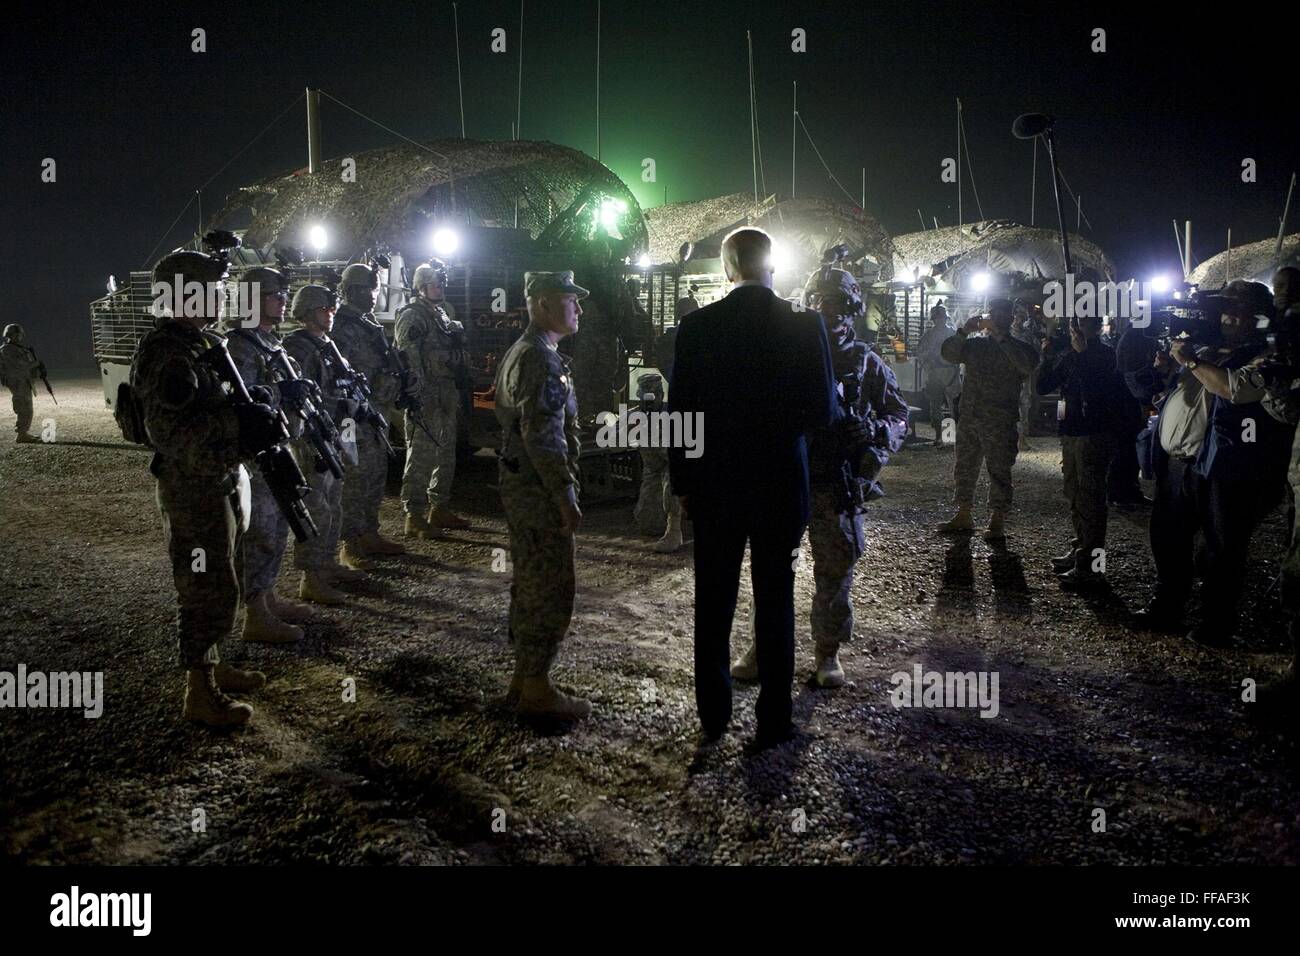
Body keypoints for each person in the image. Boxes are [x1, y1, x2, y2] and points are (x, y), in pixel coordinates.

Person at [668, 227, 836, 749]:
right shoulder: (805, 326)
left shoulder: (697, 328)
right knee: (777, 597)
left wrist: (685, 483)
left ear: (727, 268)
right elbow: (823, 412)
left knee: (713, 598)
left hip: (716, 487)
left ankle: (714, 715)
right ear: (773, 266)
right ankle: (774, 718)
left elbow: (682, 417)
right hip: (780, 486)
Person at [731, 266, 907, 688]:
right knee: (774, 569)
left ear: (852, 308)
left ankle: (827, 653)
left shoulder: (866, 363)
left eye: (837, 304)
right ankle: (762, 648)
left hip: (836, 485)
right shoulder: (784, 353)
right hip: (788, 480)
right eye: (819, 302)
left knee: (834, 571)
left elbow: (898, 415)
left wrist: (875, 432)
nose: (828, 312)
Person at [133, 250, 284, 727]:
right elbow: (171, 434)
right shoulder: (168, 354)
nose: (220, 296)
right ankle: (199, 691)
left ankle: (217, 665)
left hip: (219, 476)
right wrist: (237, 422)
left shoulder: (199, 344)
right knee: (204, 586)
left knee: (225, 576)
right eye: (211, 289)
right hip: (193, 484)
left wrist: (249, 411)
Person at [1134, 280, 1296, 645]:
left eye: (1235, 310)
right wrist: (1170, 365)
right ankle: (1166, 607)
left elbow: (1234, 389)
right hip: (1180, 464)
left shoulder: (1265, 357)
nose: (1225, 317)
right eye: (1224, 309)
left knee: (1222, 548)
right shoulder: (1210, 349)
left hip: (1224, 468)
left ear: (1256, 317)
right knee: (1168, 538)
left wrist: (1191, 360)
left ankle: (1216, 623)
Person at [494, 271, 591, 720]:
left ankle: (524, 679)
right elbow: (543, 434)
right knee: (549, 583)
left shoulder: (527, 351)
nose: (579, 309)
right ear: (545, 304)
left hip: (524, 487)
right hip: (538, 490)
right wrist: (564, 492)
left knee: (530, 578)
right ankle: (536, 686)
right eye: (572, 300)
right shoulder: (540, 359)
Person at [224, 266, 312, 643]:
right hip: (255, 453)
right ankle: (254, 612)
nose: (283, 300)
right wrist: (282, 394)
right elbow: (243, 402)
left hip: (277, 446)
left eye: (283, 294)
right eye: (275, 294)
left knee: (277, 525)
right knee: (258, 528)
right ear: (252, 299)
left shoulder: (270, 342)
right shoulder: (240, 346)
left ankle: (269, 594)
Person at [284, 284, 367, 605]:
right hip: (311, 436)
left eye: (332, 309)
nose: (330, 314)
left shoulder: (326, 344)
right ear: (306, 312)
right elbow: (305, 396)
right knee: (316, 507)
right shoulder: (299, 347)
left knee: (334, 503)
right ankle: (311, 577)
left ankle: (328, 564)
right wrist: (341, 405)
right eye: (323, 309)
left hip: (332, 433)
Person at [1035, 314, 1127, 589]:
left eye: (1084, 324)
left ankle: (1092, 566)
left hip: (1094, 432)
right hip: (1072, 431)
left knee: (1092, 500)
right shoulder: (1069, 354)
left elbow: (1101, 391)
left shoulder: (1106, 355)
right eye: (1075, 324)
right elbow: (1043, 386)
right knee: (1074, 493)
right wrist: (1048, 357)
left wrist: (1083, 355)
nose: (1077, 329)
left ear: (1097, 327)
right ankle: (1080, 548)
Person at [936, 298, 1039, 540]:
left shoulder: (1021, 348)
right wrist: (964, 331)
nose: (995, 319)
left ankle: (997, 518)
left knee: (999, 469)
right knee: (964, 466)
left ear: (1010, 317)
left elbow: (1026, 366)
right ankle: (964, 513)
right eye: (992, 314)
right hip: (971, 416)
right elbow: (948, 354)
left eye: (1000, 315)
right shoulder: (976, 346)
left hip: (999, 419)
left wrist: (1001, 337)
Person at [331, 262, 405, 568]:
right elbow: (336, 374)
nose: (372, 295)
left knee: (375, 472)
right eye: (365, 289)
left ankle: (369, 532)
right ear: (349, 291)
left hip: (375, 410)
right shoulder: (342, 327)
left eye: (374, 288)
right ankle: (349, 543)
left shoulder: (368, 323)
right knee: (353, 476)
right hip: (352, 414)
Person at [395, 260, 471, 537]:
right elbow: (407, 355)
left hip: (446, 392)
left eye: (442, 283)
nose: (440, 288)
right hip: (425, 393)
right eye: (435, 284)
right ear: (421, 287)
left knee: (446, 452)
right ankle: (413, 515)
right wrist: (416, 391)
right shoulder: (413, 315)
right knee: (421, 454)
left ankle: (438, 506)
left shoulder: (442, 314)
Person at [917, 302, 960, 442]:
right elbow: (921, 354)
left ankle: (950, 436)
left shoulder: (953, 334)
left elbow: (961, 352)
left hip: (951, 372)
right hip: (935, 372)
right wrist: (929, 367)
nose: (940, 320)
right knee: (936, 406)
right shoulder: (928, 335)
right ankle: (939, 436)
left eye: (941, 318)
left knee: (954, 406)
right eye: (938, 318)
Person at [0, 324, 43, 443]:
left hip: (23, 381)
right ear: (11, 335)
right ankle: (21, 434)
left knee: (27, 407)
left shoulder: (18, 348)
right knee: (23, 407)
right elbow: (20, 365)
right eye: (17, 334)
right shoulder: (7, 349)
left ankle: (24, 433)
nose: (19, 337)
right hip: (17, 382)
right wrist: (36, 363)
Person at [1012, 301, 1044, 451]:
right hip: (1008, 377)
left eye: (1022, 316)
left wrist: (1032, 370)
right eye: (1017, 316)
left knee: (1024, 407)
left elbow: (1038, 355)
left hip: (1024, 377)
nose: (1019, 319)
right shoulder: (1005, 334)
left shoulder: (1028, 336)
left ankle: (1022, 439)